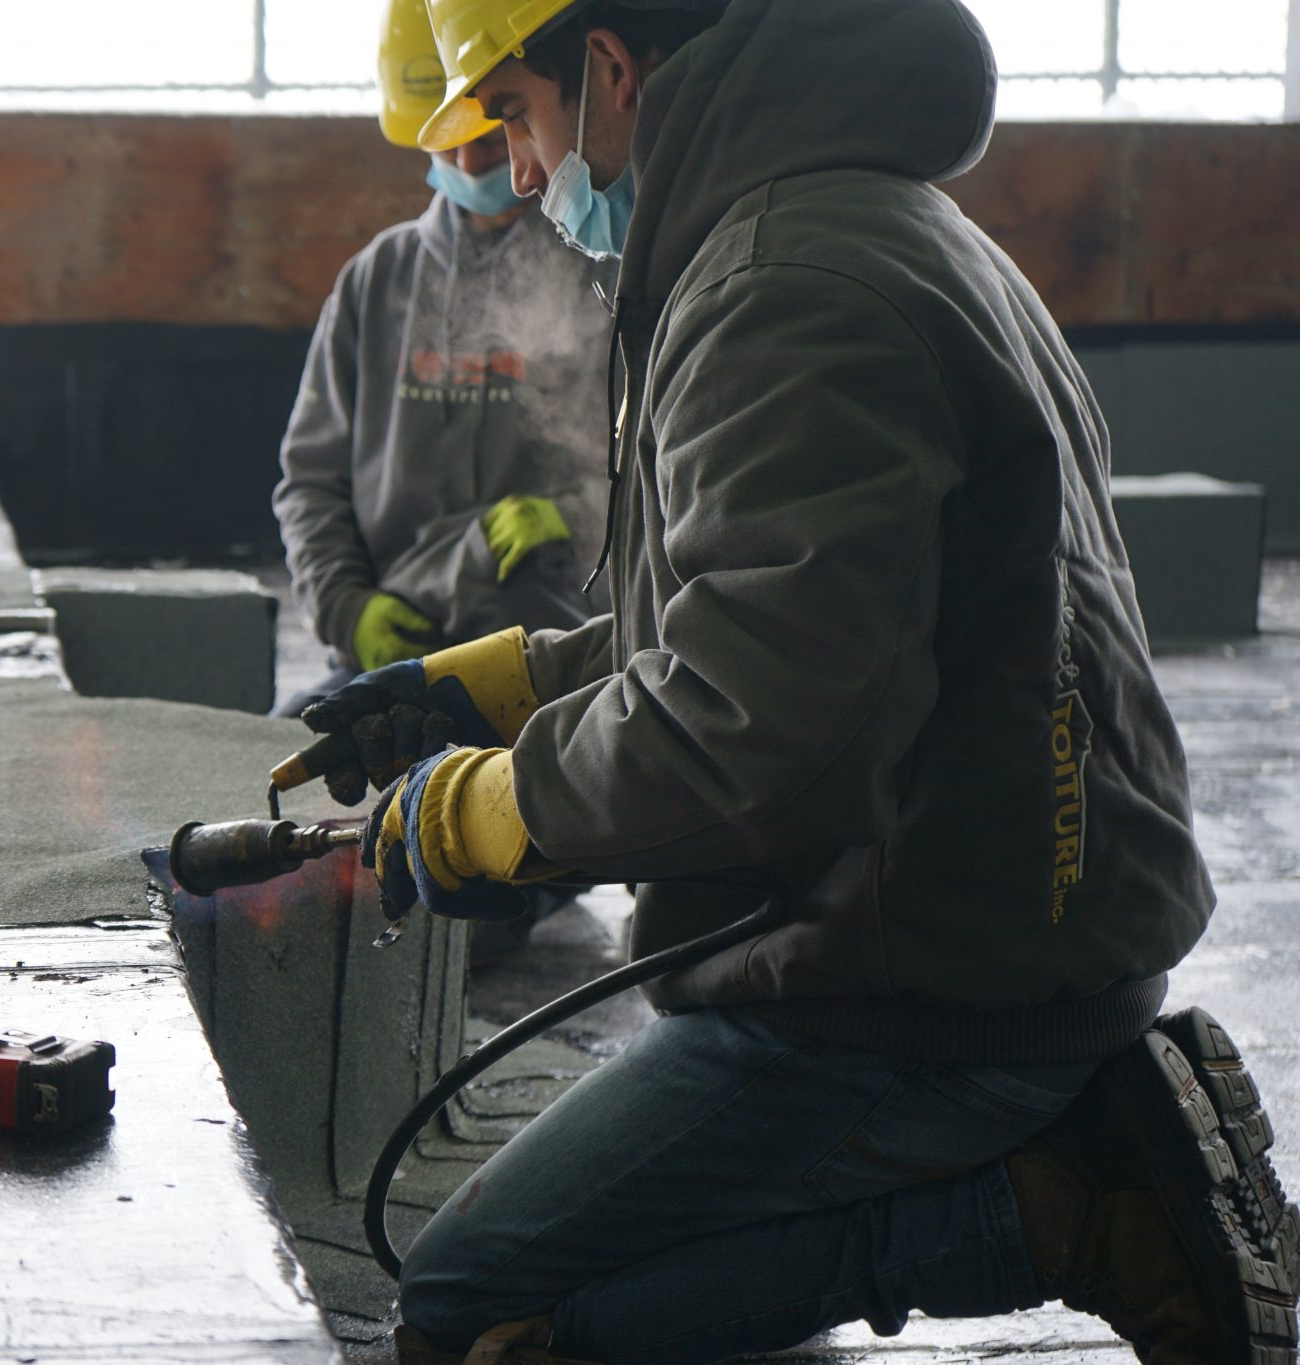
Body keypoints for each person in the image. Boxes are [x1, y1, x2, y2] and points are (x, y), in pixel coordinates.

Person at [291, 0, 1300, 1360]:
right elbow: (780, 623)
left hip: (922, 995)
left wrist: (495, 806)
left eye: (516, 118)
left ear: (607, 69)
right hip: (989, 932)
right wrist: (505, 685)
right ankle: (1053, 1157)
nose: (518, 174)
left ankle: (1055, 1206)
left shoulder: (780, 286)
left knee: (471, 1305)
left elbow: (754, 731)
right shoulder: (852, 226)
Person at [270, 0, 619, 719]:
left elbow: (660, 471)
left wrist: (578, 515)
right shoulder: (378, 279)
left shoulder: (604, 269)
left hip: (555, 665)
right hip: (392, 656)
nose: (467, 164)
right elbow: (311, 482)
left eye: (488, 137)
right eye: (444, 146)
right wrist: (348, 610)